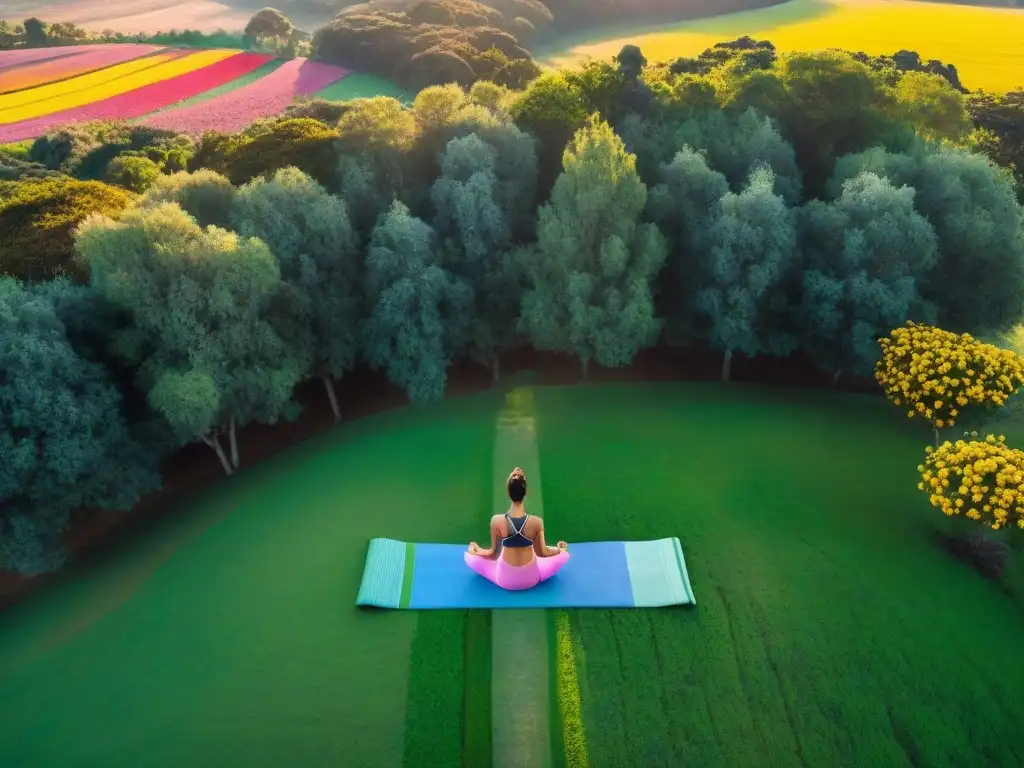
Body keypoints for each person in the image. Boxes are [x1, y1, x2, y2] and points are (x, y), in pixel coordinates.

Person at [465, 466, 569, 590]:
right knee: (564, 555)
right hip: (531, 579)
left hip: (505, 580)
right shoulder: (536, 522)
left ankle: (473, 553)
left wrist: (475, 551)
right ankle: (561, 550)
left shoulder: (497, 521)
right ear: (525, 493)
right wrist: (559, 550)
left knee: (469, 557)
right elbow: (543, 553)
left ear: (508, 493)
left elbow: (492, 554)